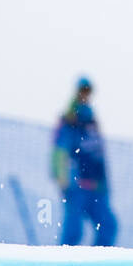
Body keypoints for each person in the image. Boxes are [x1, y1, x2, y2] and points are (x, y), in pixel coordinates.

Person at [50, 78, 118, 246]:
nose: (85, 94)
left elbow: (99, 155)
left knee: (108, 226)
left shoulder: (92, 121)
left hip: (97, 187)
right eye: (83, 90)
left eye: (88, 91)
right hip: (76, 185)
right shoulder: (69, 120)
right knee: (73, 231)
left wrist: (105, 185)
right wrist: (62, 178)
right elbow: (59, 151)